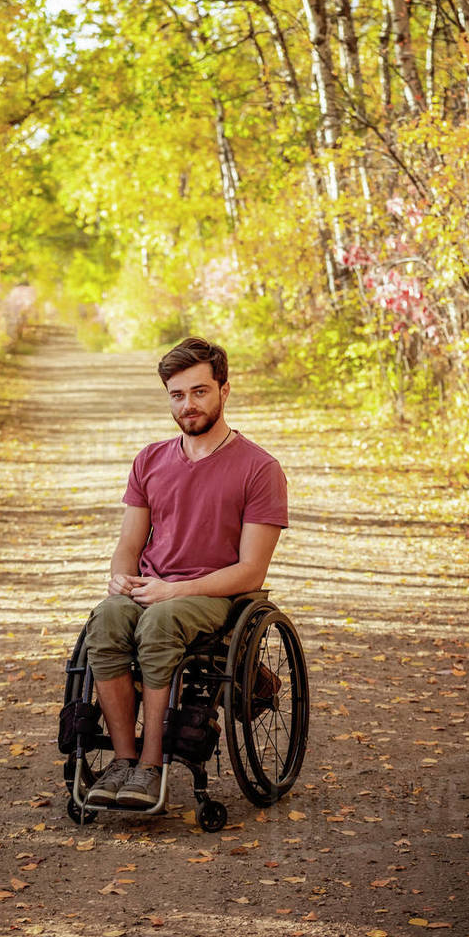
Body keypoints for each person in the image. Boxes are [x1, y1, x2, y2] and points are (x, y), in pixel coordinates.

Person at [83, 335, 288, 809]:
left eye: (199, 391)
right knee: (107, 618)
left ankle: (150, 766)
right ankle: (123, 760)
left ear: (224, 390)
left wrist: (174, 591)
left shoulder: (260, 469)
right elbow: (129, 545)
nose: (188, 405)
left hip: (215, 595)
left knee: (160, 622)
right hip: (151, 587)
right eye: (177, 394)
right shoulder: (150, 460)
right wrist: (120, 579)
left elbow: (251, 571)